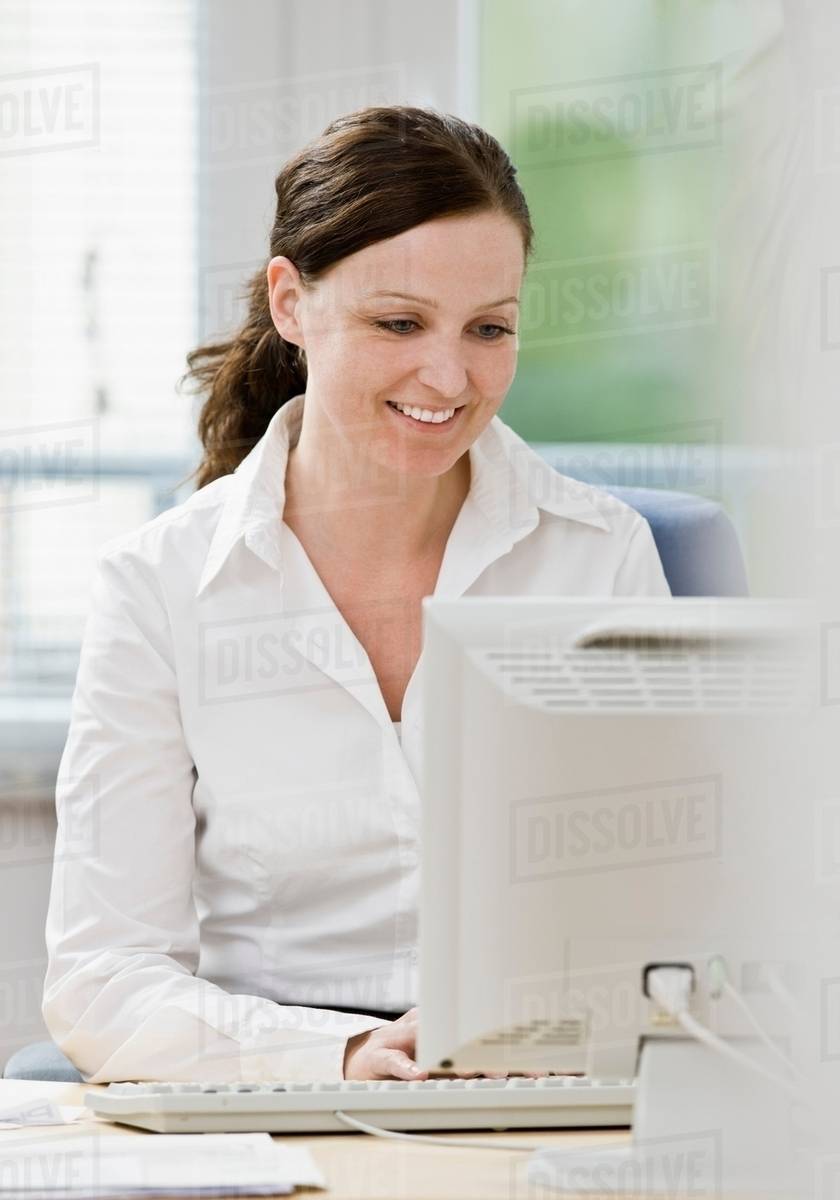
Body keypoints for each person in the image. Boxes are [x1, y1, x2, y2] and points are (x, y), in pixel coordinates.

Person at [42, 105, 670, 1086]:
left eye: (489, 328)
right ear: (292, 304)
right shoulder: (159, 586)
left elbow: (678, 914)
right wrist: (337, 1054)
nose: (449, 376)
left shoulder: (599, 556)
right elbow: (102, 980)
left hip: (534, 1083)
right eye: (399, 323)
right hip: (281, 1085)